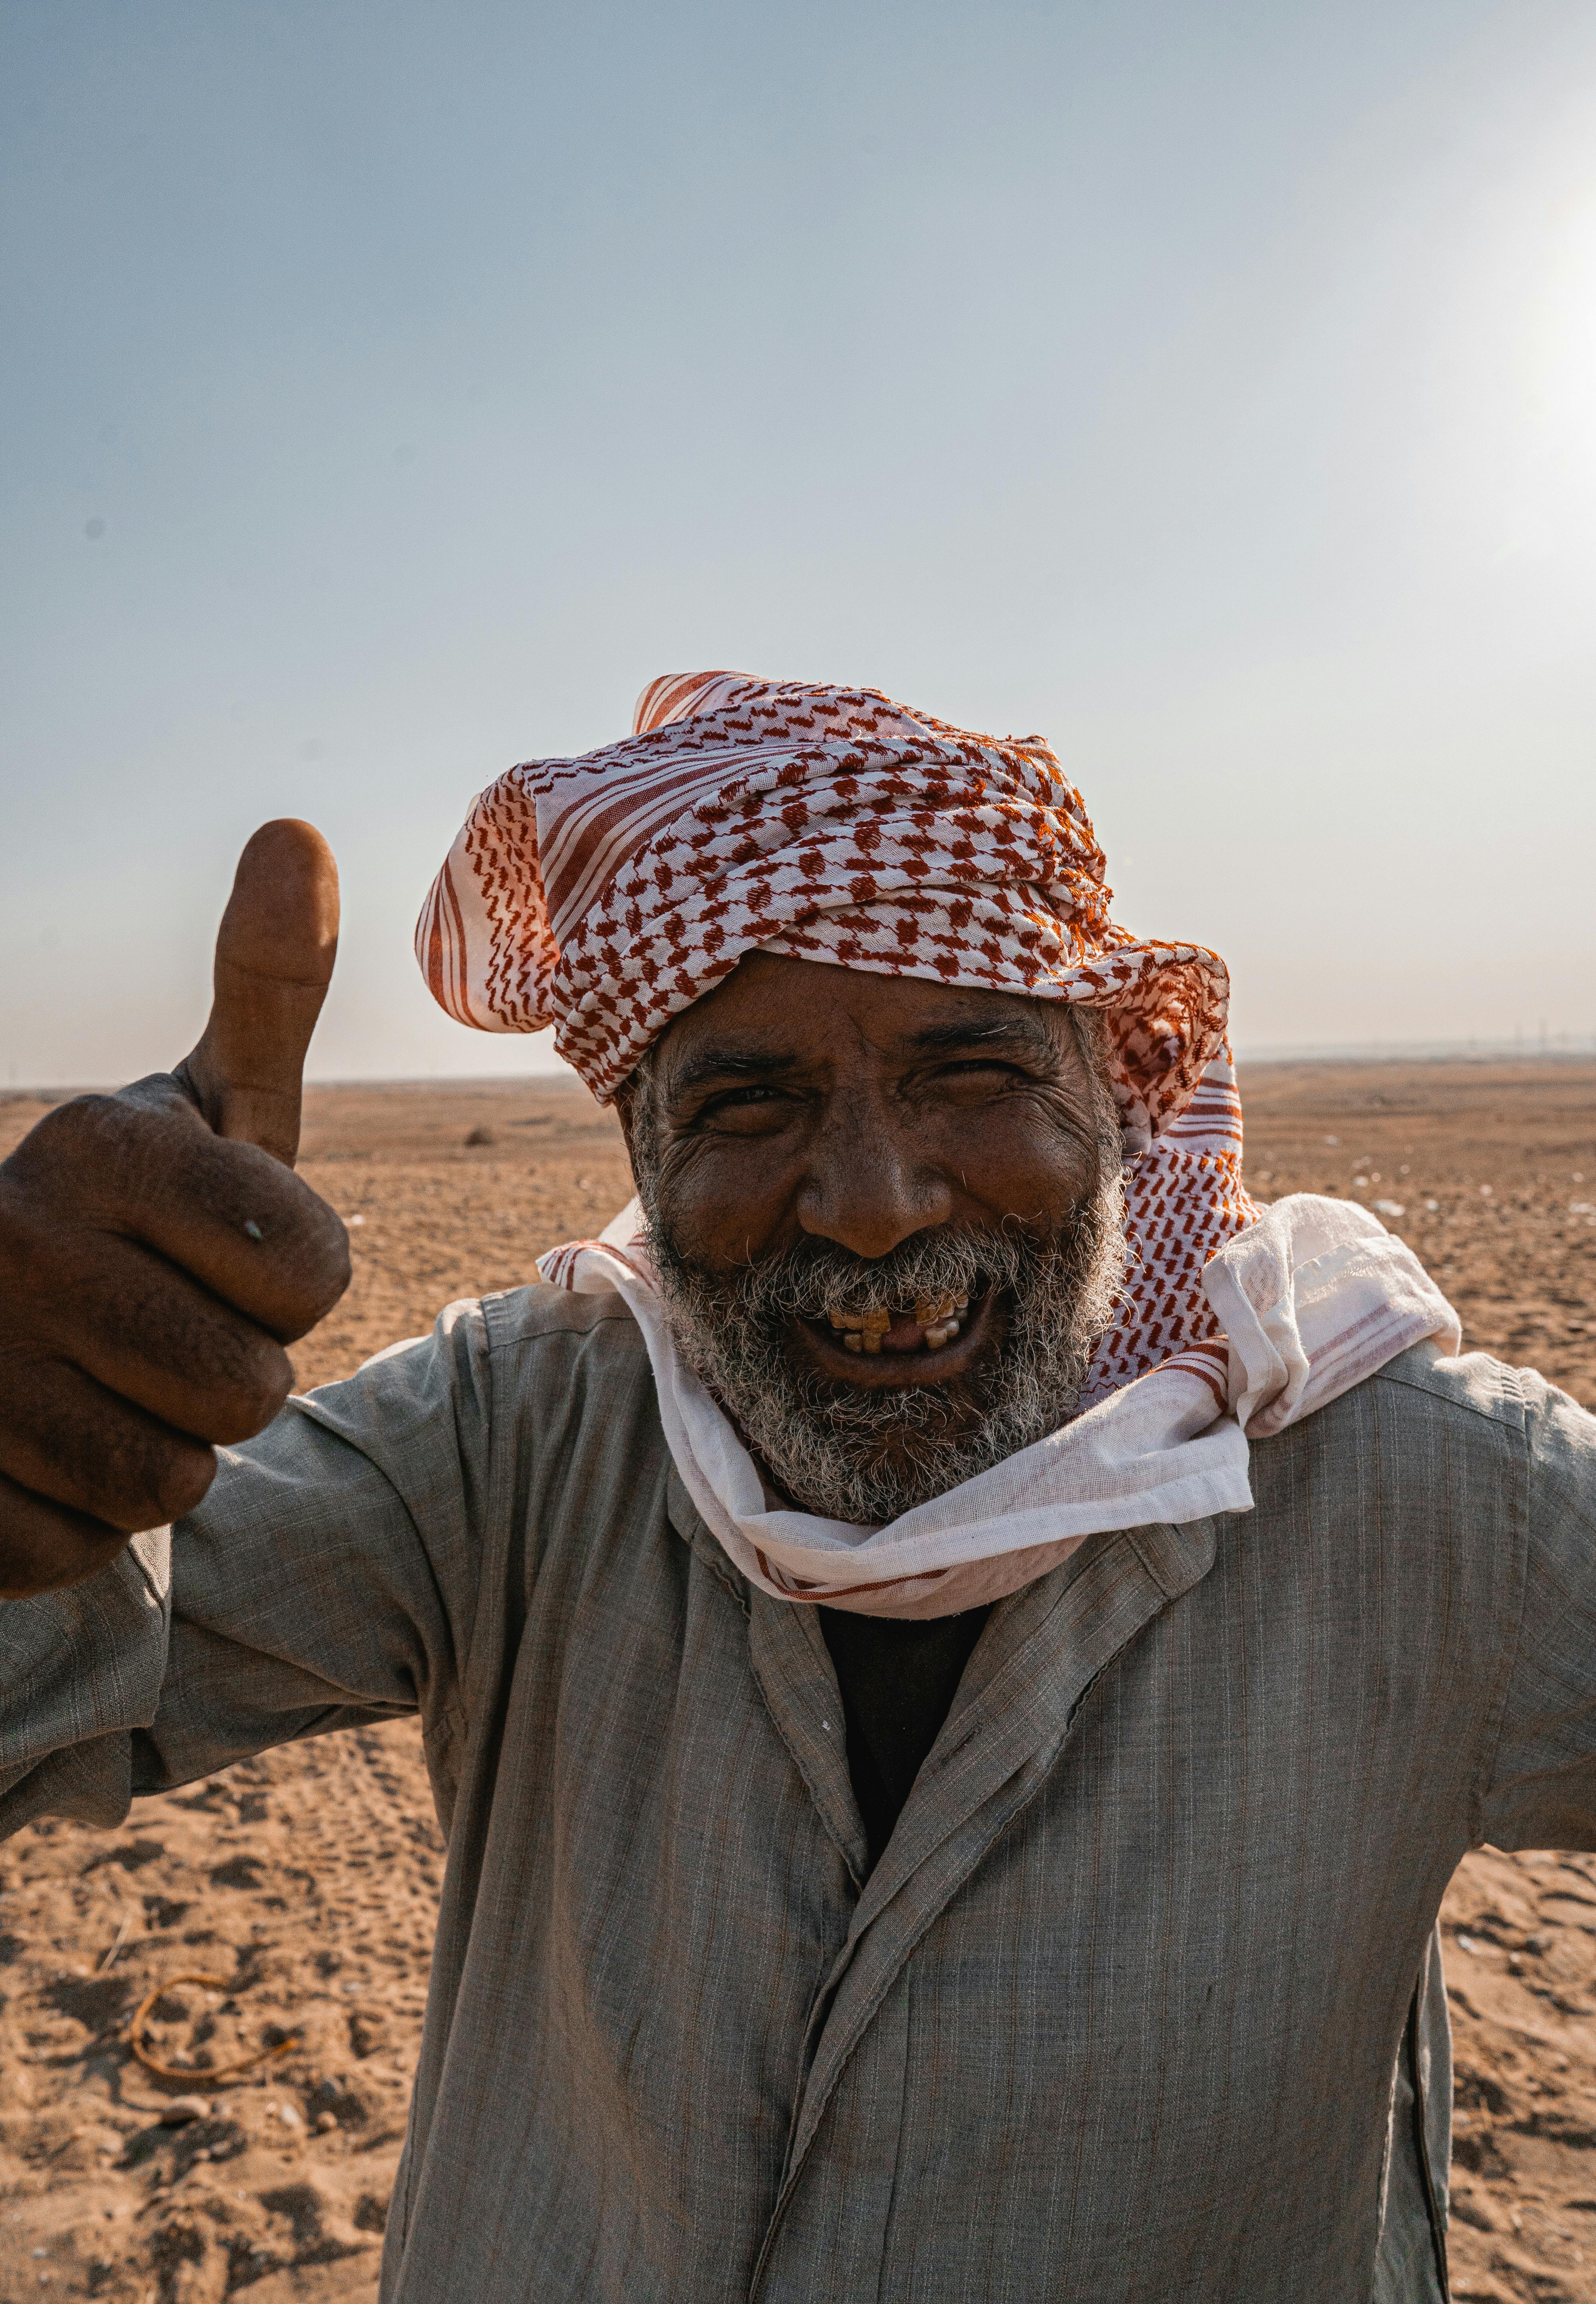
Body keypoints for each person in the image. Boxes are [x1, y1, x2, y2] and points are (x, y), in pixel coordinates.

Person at [2, 670, 1592, 2304]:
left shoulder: (1434, 1501)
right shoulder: (517, 1440)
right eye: (749, 1103)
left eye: (972, 1076)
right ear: (639, 1151)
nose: (875, 1206)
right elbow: (59, 1675)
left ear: (1119, 1092)